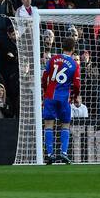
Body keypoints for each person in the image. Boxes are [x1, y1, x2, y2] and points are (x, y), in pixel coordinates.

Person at [42, 36, 80, 164]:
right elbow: (77, 84)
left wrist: (45, 91)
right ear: (73, 49)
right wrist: (75, 97)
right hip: (64, 98)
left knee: (48, 125)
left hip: (50, 96)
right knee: (65, 125)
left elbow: (45, 77)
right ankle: (63, 152)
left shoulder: (52, 59)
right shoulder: (74, 64)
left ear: (62, 47)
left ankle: (50, 154)